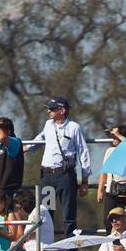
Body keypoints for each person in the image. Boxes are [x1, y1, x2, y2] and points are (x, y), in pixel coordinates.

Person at [30, 97, 91, 236]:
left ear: (62, 110)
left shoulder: (74, 127)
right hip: (48, 176)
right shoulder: (48, 125)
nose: (49, 112)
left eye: (52, 109)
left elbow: (83, 152)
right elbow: (39, 139)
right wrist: (23, 147)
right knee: (45, 214)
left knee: (68, 216)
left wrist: (85, 180)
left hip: (65, 176)